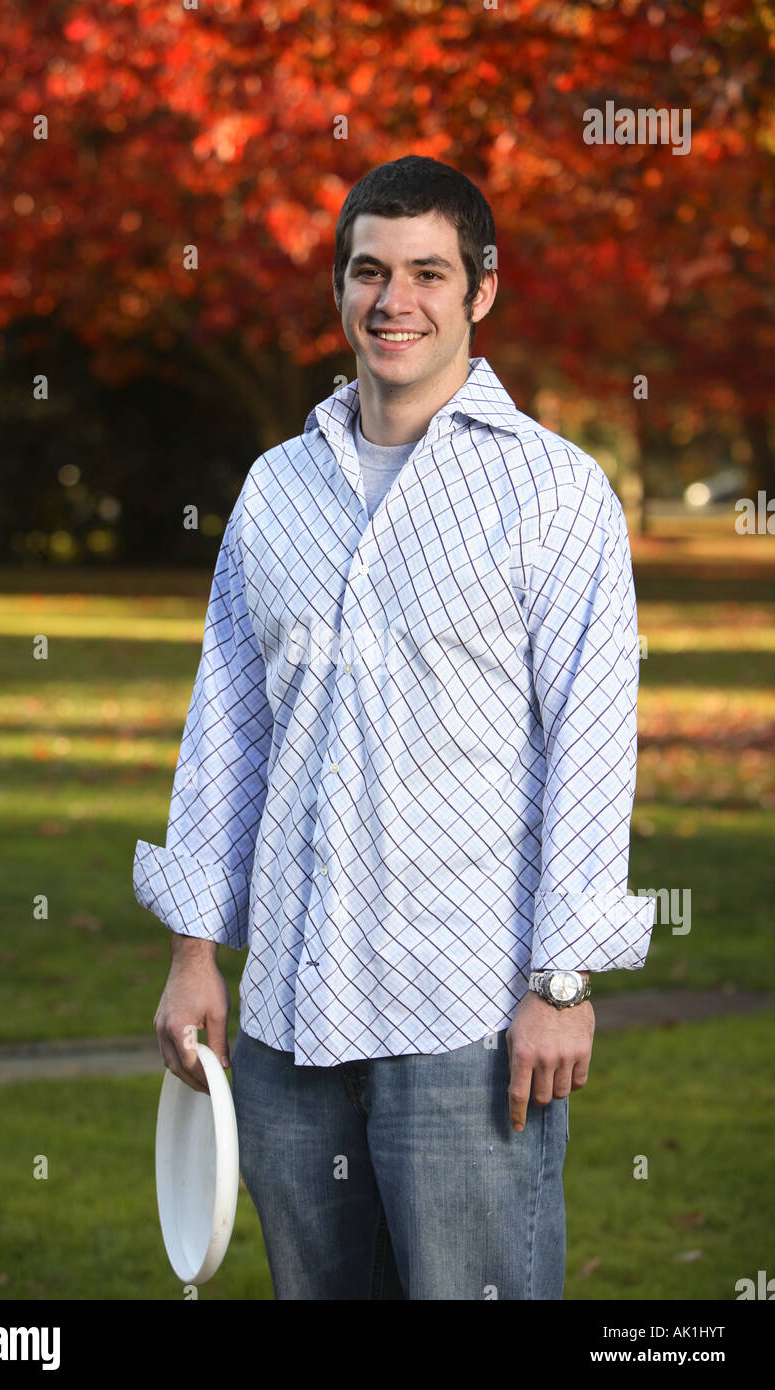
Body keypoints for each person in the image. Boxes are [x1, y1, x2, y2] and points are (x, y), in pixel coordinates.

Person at [133, 154, 655, 1300]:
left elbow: (589, 745)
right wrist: (190, 953)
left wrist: (559, 983)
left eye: (427, 271)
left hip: (463, 1017)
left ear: (482, 289)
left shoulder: (554, 495)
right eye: (368, 269)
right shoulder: (276, 488)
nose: (393, 299)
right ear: (338, 288)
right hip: (285, 1018)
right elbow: (225, 731)